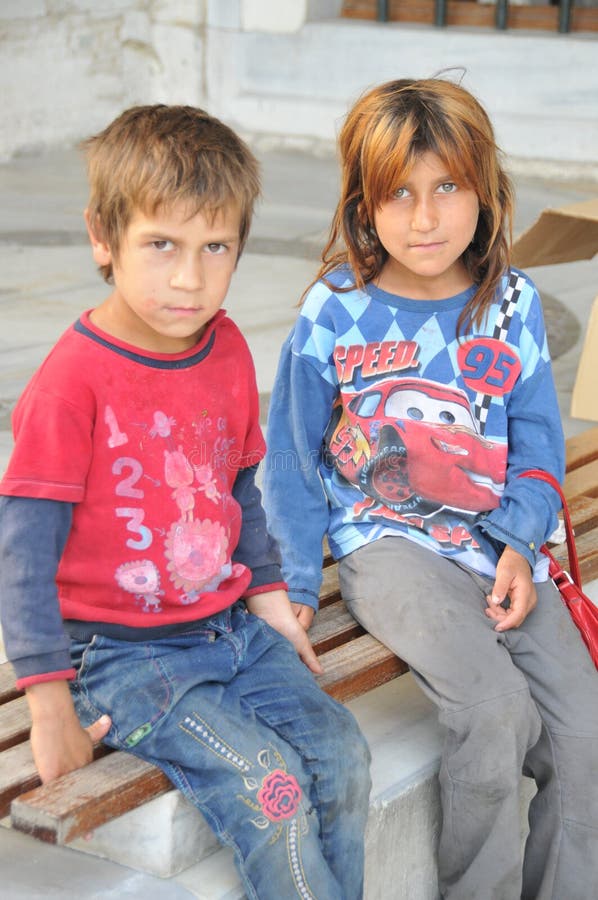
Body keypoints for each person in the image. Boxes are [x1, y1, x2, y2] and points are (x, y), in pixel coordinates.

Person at [0, 104, 371, 900]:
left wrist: (271, 600)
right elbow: (23, 554)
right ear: (104, 237)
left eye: (215, 248)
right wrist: (49, 704)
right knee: (269, 791)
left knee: (343, 753)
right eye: (161, 244)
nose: (188, 278)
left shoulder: (227, 346)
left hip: (228, 626)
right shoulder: (72, 383)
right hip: (121, 656)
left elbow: (240, 487)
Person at [263, 77, 598, 899]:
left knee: (587, 738)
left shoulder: (511, 301)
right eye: (398, 194)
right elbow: (291, 459)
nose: (423, 217)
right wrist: (296, 581)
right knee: (493, 712)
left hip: (501, 548)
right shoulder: (334, 310)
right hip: (390, 546)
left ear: (484, 191)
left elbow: (538, 443)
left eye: (447, 187)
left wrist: (522, 541)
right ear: (362, 204)